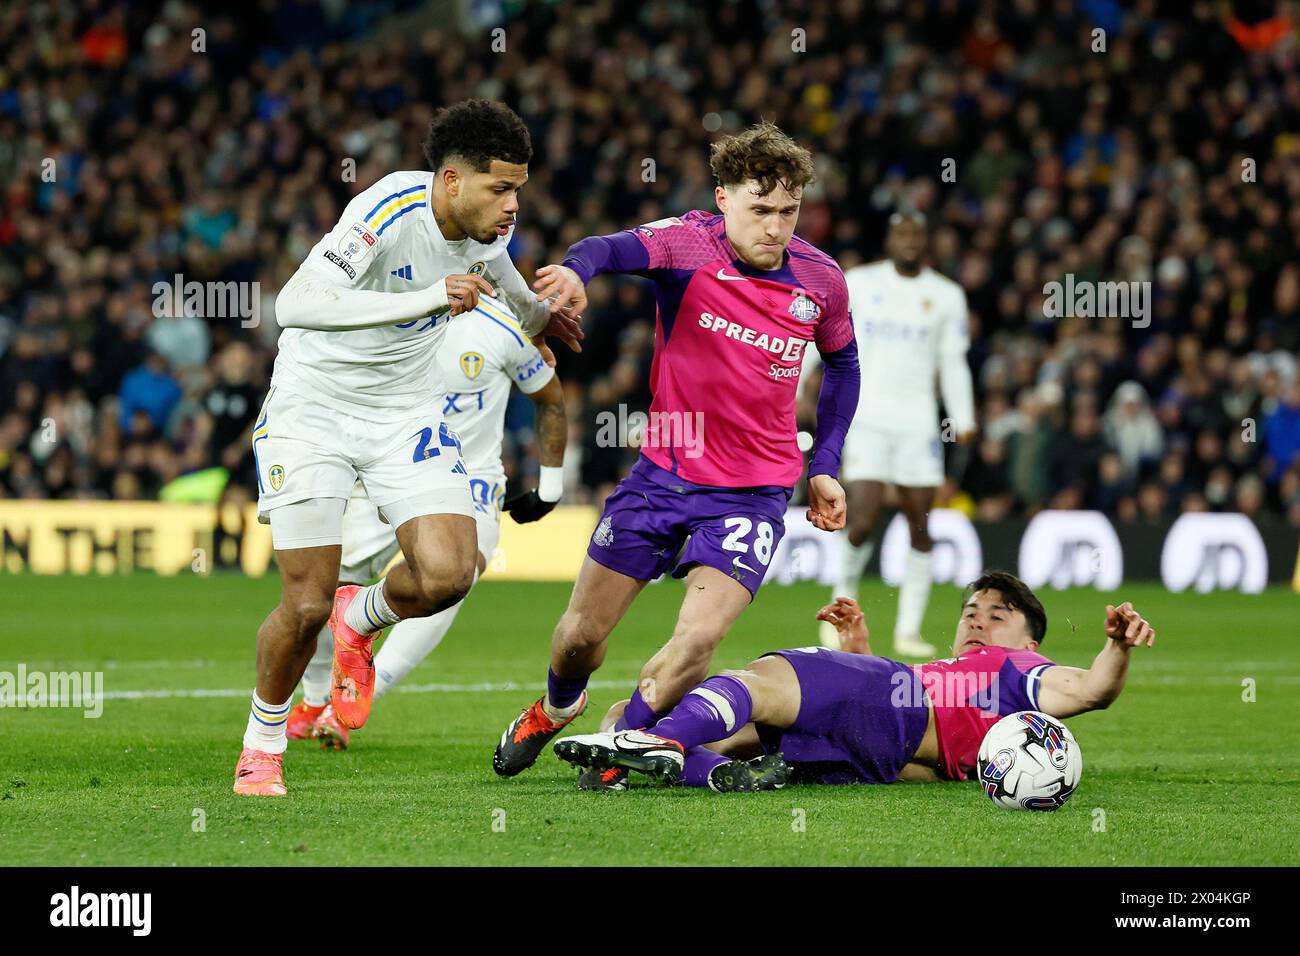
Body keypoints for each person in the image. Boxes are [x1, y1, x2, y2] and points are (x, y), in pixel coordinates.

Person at [490, 121, 861, 789]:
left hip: (754, 493)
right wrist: (575, 273)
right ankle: (557, 708)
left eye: (788, 211)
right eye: (760, 209)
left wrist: (826, 462)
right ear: (723, 198)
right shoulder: (688, 243)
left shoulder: (822, 281)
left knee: (697, 642)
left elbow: (844, 364)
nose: (775, 227)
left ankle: (620, 744)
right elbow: (604, 248)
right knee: (578, 637)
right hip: (661, 477)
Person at [234, 99, 581, 796]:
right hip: (316, 409)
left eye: (518, 188)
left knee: (452, 572)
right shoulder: (388, 208)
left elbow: (511, 292)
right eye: (500, 189)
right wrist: (425, 298)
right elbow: (295, 305)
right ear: (451, 179)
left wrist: (549, 317)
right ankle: (262, 746)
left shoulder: (483, 233)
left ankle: (359, 617)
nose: (512, 205)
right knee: (302, 604)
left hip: (402, 414)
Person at [555, 571, 1155, 793]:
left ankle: (655, 744)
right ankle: (715, 773)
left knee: (754, 682)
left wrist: (1116, 645)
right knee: (617, 715)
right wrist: (861, 651)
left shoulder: (1020, 671)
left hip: (887, 713)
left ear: (1030, 643)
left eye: (998, 616)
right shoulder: (963, 681)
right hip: (875, 752)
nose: (977, 619)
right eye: (971, 611)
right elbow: (906, 701)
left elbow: (1090, 690)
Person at [285, 294, 568, 748]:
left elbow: (550, 399)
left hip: (469, 477)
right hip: (384, 466)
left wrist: (550, 485)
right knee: (324, 590)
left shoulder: (506, 326)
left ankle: (360, 698)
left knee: (457, 576)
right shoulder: (387, 307)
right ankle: (316, 700)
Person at [820, 212, 975, 657]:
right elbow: (825, 333)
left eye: (916, 234)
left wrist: (962, 417)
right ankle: (839, 607)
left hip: (919, 424)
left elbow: (953, 360)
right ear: (889, 239)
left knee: (921, 527)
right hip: (867, 416)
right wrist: (798, 382)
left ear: (926, 241)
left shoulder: (945, 295)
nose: (908, 241)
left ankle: (908, 629)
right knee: (862, 518)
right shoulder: (860, 282)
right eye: (901, 233)